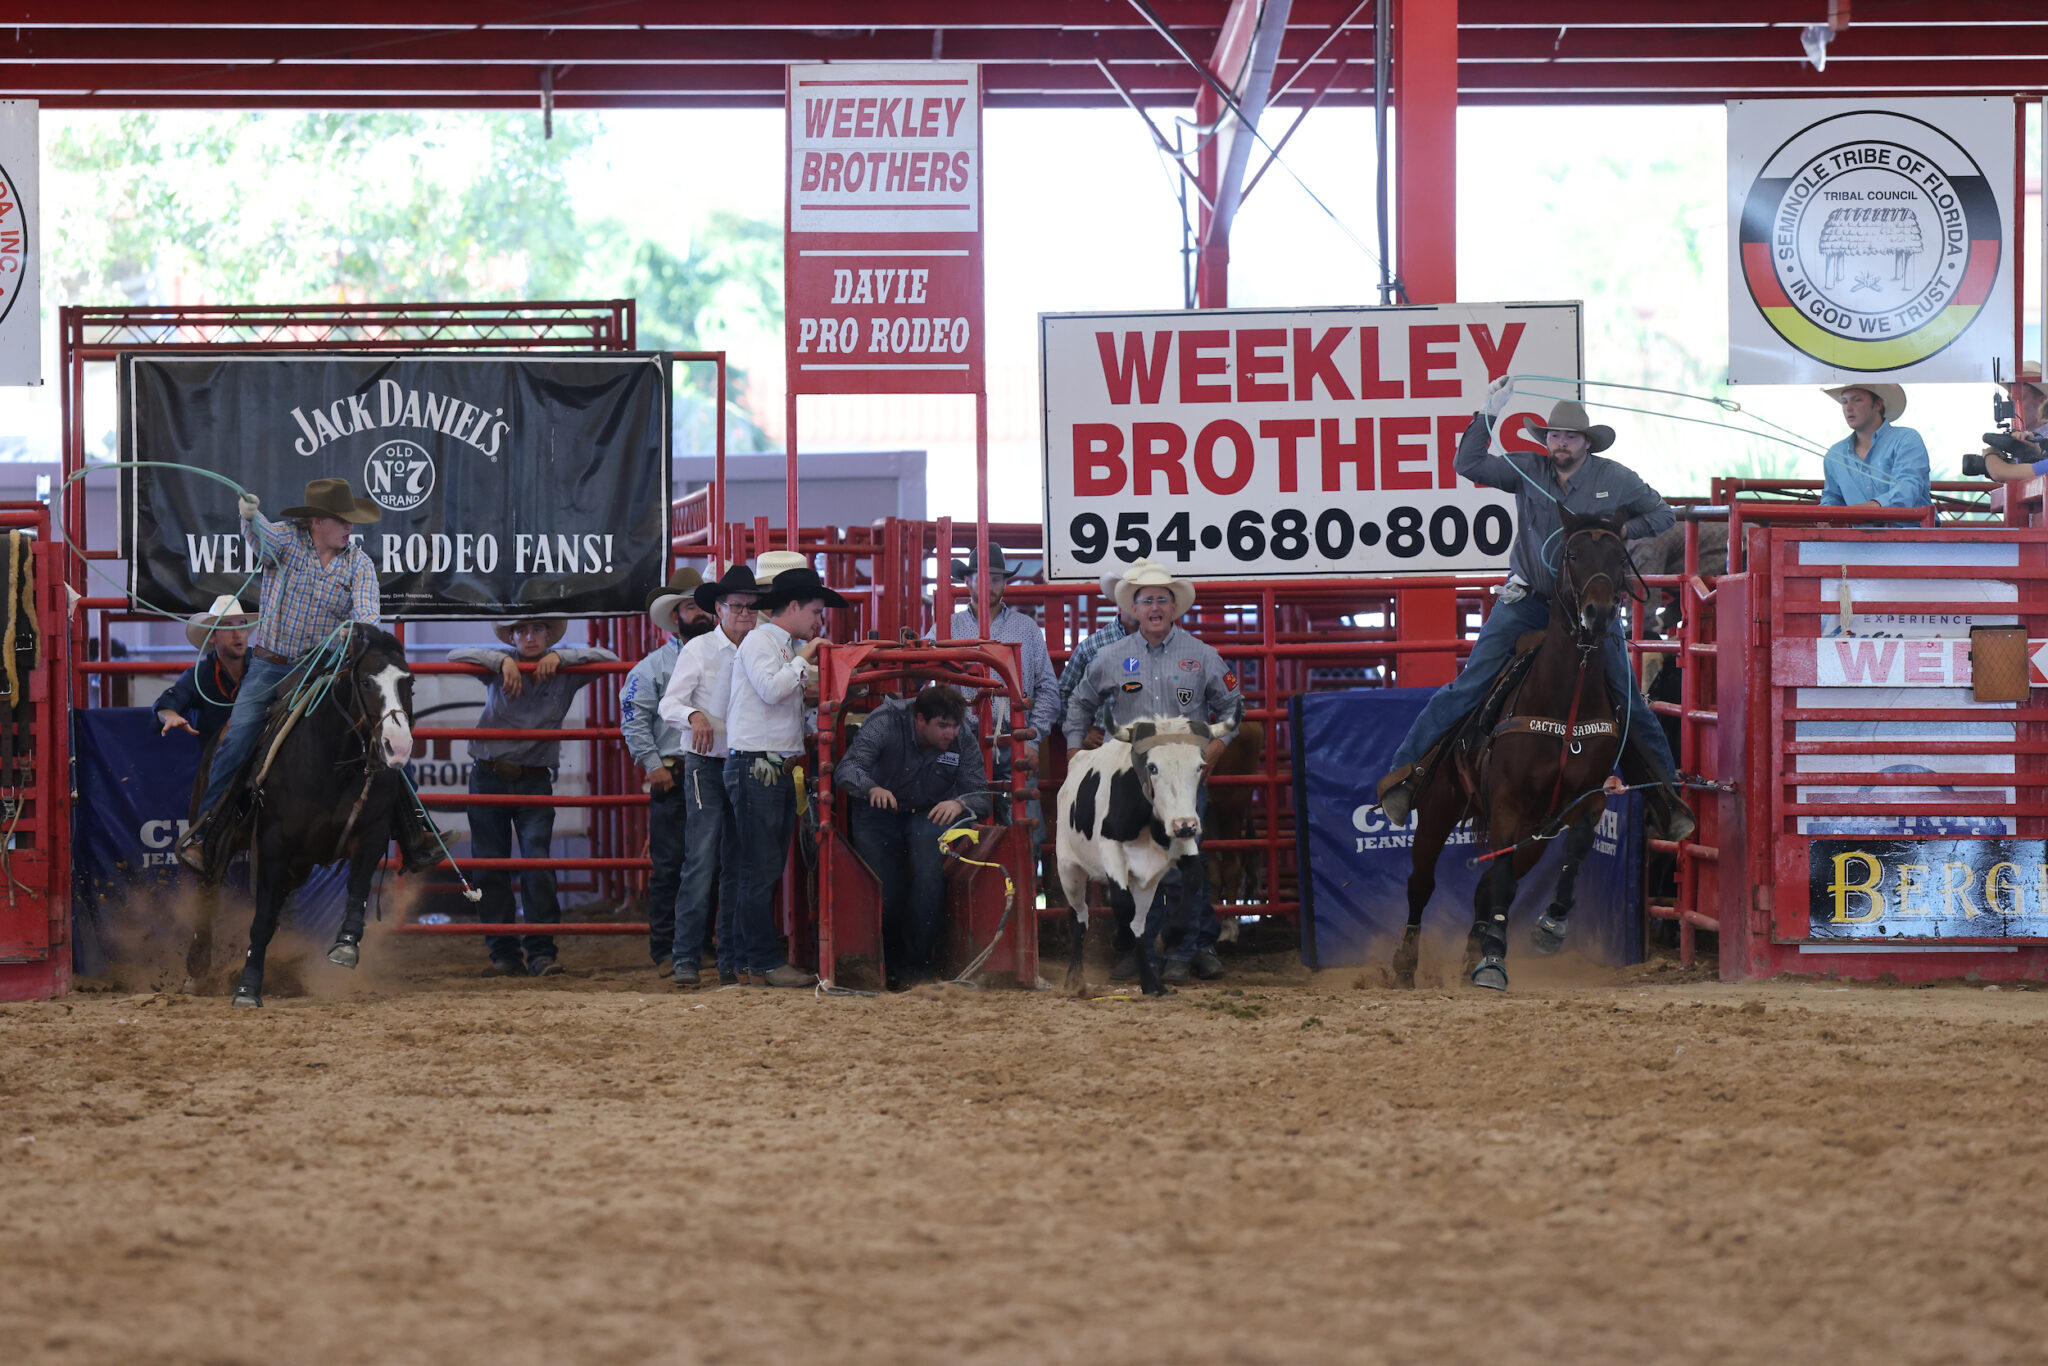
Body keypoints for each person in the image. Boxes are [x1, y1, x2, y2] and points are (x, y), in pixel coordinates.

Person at [1374, 390, 1695, 841]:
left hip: (1588, 609)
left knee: (1628, 698)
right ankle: (1403, 778)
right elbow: (1469, 464)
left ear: (1587, 442)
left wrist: (1622, 529)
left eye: (1570, 436)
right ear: (1548, 440)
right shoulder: (1529, 468)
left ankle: (1667, 798)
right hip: (1527, 601)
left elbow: (1661, 515)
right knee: (1468, 686)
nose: (1561, 443)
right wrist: (1489, 412)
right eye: (1555, 436)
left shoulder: (1616, 478)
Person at [176, 478, 398, 875]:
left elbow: (367, 616)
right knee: (239, 735)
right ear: (317, 520)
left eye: (351, 521)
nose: (350, 528)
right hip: (272, 665)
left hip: (327, 670)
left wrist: (360, 632)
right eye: (341, 520)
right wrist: (249, 517)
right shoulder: (287, 540)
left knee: (384, 730)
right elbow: (261, 536)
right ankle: (207, 833)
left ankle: (415, 830)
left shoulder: (358, 564)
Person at [1062, 563, 1244, 982]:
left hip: (1179, 777)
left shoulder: (1202, 656)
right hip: (1130, 779)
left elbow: (1233, 705)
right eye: (1147, 600)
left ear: (1175, 607)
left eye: (1163, 599)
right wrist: (1076, 752)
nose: (1155, 607)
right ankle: (1149, 950)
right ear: (1135, 608)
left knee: (1183, 857)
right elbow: (1078, 702)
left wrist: (1216, 747)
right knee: (1131, 863)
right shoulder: (1111, 657)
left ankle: (1187, 948)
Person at [449, 618, 618, 978]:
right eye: (522, 631)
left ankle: (540, 952)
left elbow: (608, 655)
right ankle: (505, 954)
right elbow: (455, 653)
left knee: (536, 865)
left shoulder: (564, 669)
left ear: (548, 635)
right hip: (490, 774)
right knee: (489, 867)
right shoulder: (501, 660)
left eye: (538, 629)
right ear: (512, 637)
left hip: (531, 779)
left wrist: (563, 659)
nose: (529, 637)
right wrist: (501, 662)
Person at [723, 561, 847, 988]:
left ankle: (748, 960)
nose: (819, 620)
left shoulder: (769, 645)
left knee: (759, 868)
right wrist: (804, 660)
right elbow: (773, 690)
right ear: (792, 606)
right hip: (759, 767)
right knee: (761, 868)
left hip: (765, 767)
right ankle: (758, 961)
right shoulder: (762, 643)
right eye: (814, 611)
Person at [834, 685, 991, 990]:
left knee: (929, 877)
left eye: (955, 725)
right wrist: (872, 789)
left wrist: (960, 802)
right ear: (920, 720)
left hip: (929, 810)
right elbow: (848, 768)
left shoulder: (961, 737)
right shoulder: (885, 722)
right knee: (885, 889)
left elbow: (980, 792)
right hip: (877, 809)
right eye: (943, 726)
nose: (951, 733)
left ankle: (915, 965)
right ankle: (886, 963)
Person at [655, 562, 763, 987]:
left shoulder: (758, 648)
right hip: (709, 762)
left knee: (733, 861)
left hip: (739, 761)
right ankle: (688, 955)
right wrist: (694, 713)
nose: (744, 614)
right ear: (719, 608)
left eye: (751, 608)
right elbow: (669, 705)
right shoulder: (698, 651)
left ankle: (724, 959)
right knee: (704, 860)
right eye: (737, 606)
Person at [620, 567, 712, 973]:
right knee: (672, 864)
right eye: (693, 607)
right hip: (674, 772)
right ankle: (666, 949)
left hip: (707, 768)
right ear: (676, 615)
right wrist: (653, 764)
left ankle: (694, 945)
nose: (702, 614)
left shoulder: (725, 655)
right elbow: (633, 718)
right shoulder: (652, 667)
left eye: (706, 606)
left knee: (710, 862)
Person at [932, 543, 1060, 814]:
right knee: (961, 828)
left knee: (1024, 833)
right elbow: (920, 674)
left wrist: (1031, 741)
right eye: (983, 577)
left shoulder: (1026, 628)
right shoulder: (946, 627)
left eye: (996, 579)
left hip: (1015, 742)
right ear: (968, 581)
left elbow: (1048, 689)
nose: (990, 585)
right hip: (960, 741)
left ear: (1004, 583)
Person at [1056, 561, 1148, 745]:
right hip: (1108, 740)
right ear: (1120, 599)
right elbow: (1062, 695)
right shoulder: (1091, 647)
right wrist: (1082, 732)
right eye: (1132, 596)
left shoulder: (1093, 646)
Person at [155, 595, 257, 748]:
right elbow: (169, 701)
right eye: (228, 627)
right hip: (218, 757)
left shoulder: (262, 665)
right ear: (211, 636)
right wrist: (169, 715)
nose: (237, 634)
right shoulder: (200, 675)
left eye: (242, 626)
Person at [1818, 383, 1931, 509]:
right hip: (1860, 527)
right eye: (1844, 402)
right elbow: (1832, 497)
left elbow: (1909, 487)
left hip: (1908, 528)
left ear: (1878, 404)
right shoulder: (1835, 453)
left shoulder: (1906, 439)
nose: (1848, 408)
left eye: (1857, 400)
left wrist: (1872, 507)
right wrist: (1825, 515)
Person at [1976, 364, 2048, 482]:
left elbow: (2001, 473)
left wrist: (1990, 454)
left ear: (2042, 402)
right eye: (2010, 401)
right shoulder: (2034, 442)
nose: (2012, 407)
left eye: (2019, 399)